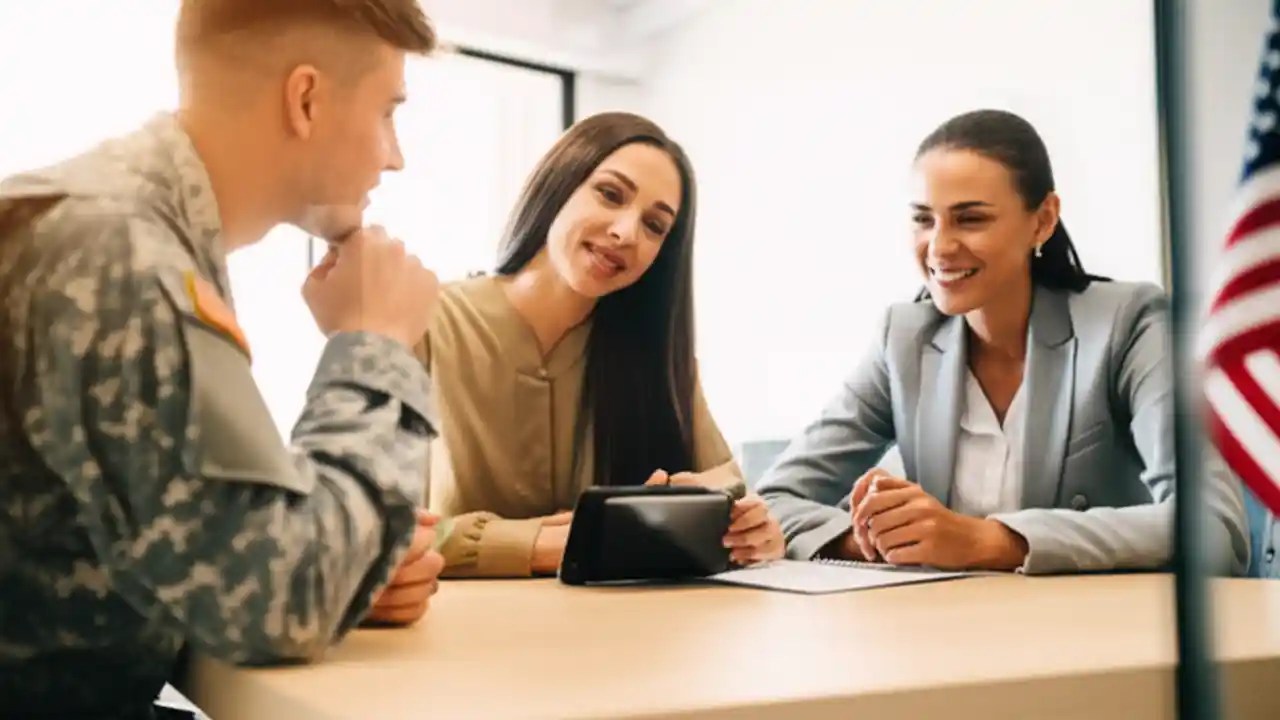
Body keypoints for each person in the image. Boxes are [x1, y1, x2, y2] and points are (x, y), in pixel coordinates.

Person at [0, 1, 446, 716]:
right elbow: (276, 601)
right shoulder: (120, 255)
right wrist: (375, 344)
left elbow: (210, 553)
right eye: (389, 113)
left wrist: (343, 562)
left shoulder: (133, 233)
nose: (395, 155)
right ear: (306, 99)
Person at [756, 109, 1250, 575]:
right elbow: (772, 503)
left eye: (970, 218)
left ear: (1043, 219)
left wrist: (987, 541)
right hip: (949, 632)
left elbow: (1215, 527)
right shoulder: (903, 339)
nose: (940, 246)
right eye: (924, 219)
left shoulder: (1128, 322)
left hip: (1098, 636)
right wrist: (879, 540)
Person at [414, 112, 785, 578]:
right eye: (610, 195)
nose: (626, 233)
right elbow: (369, 533)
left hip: (624, 639)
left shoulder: (657, 360)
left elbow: (726, 489)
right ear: (558, 185)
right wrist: (534, 546)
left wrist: (751, 531)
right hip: (453, 638)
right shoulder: (423, 320)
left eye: (654, 226)